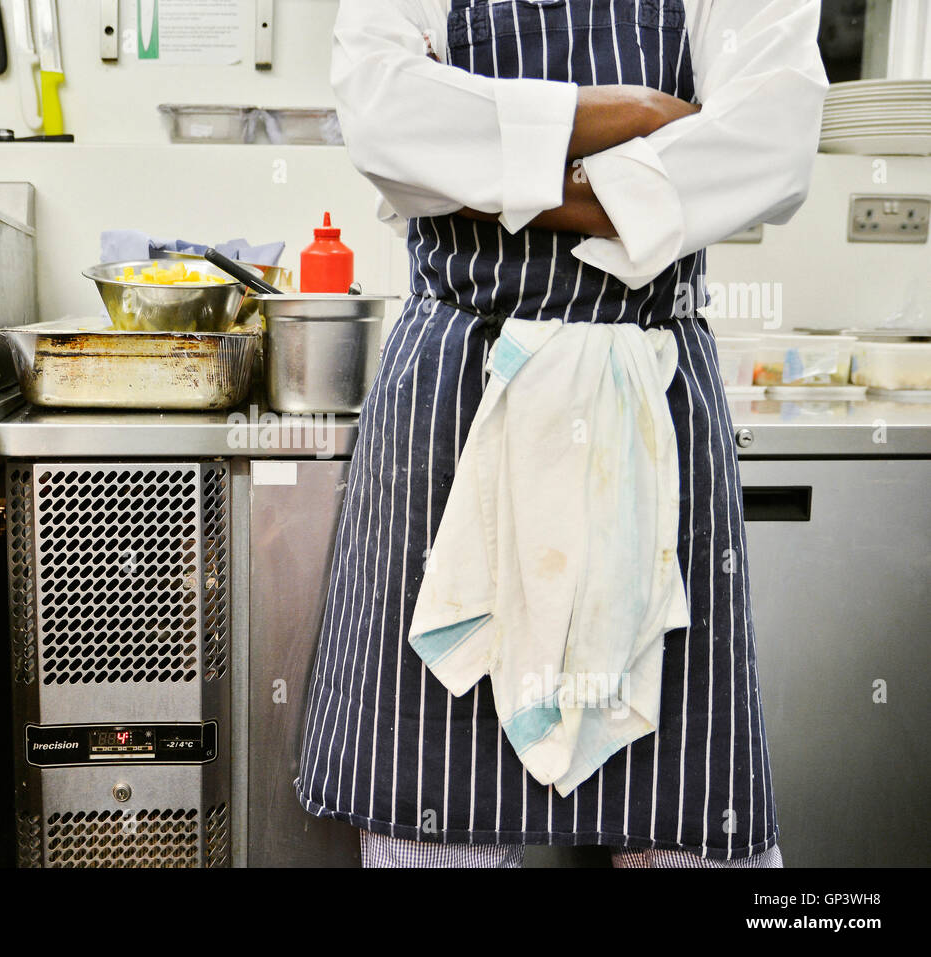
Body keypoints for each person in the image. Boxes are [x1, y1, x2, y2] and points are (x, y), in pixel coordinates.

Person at [295, 0, 829, 868]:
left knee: (685, 819)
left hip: (653, 396)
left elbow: (770, 140)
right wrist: (639, 118)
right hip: (455, 396)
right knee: (431, 808)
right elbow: (386, 116)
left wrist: (507, 178)